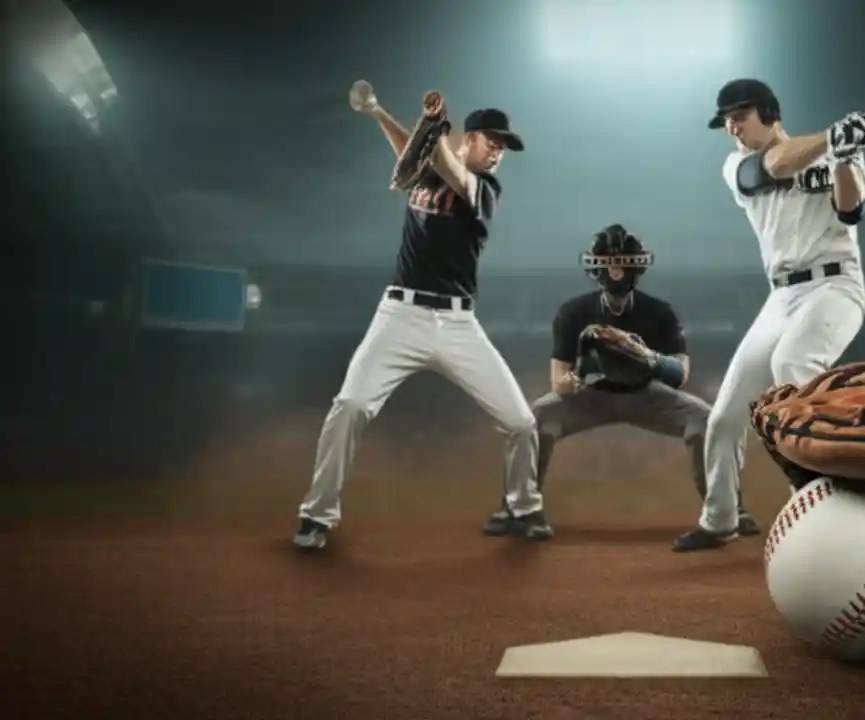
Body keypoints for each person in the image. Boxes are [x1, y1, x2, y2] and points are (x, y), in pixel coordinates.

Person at [292, 82, 547, 551]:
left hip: (457, 326)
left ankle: (524, 505)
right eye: (492, 141)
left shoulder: (485, 188)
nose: (498, 153)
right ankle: (316, 516)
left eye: (504, 147)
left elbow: (441, 162)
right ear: (468, 138)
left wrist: (432, 130)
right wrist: (376, 112)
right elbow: (415, 153)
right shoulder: (428, 169)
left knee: (521, 423)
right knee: (349, 407)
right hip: (398, 316)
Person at [672, 78, 865, 552]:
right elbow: (772, 166)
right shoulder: (737, 166)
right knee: (726, 417)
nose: (732, 126)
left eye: (740, 115)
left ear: (769, 111)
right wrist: (836, 138)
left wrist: (848, 157)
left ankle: (816, 499)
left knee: (791, 365)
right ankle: (719, 519)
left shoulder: (833, 151)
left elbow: (851, 213)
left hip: (836, 286)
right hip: (782, 297)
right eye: (727, 120)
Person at [481, 223, 762, 540]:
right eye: (610, 263)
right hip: (591, 395)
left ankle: (728, 508)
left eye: (623, 262)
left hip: (646, 393)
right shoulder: (573, 313)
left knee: (706, 423)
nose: (616, 270)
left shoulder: (659, 312)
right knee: (534, 421)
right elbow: (559, 382)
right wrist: (582, 371)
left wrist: (643, 355)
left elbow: (680, 376)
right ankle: (518, 508)